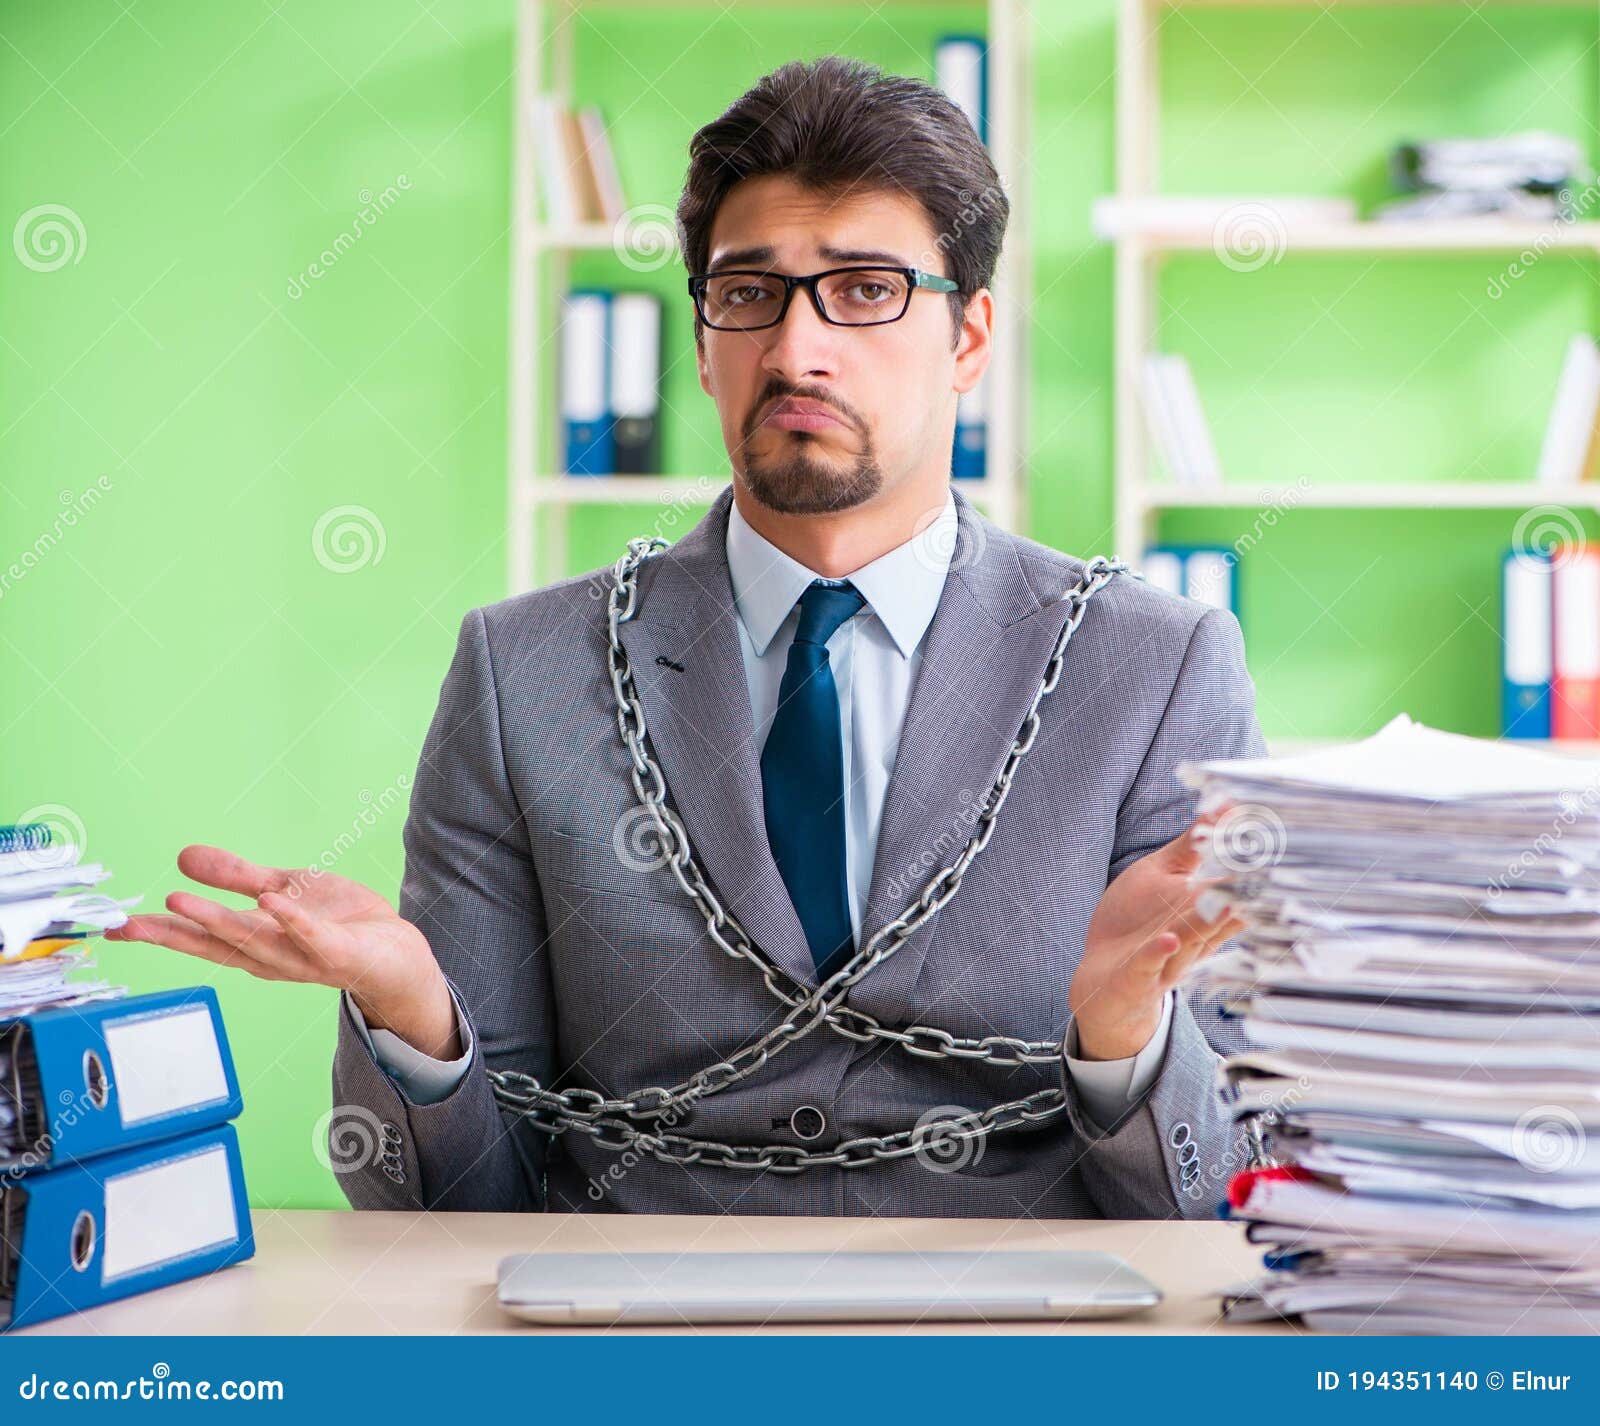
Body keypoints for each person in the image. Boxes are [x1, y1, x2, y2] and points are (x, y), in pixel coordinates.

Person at [109, 55, 1266, 1218]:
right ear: (706, 343)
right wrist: (419, 1018)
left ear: (967, 338)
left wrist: (1127, 1037)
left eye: (865, 290)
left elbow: (1222, 1200)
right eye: (749, 292)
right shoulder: (525, 674)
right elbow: (443, 1215)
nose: (798, 349)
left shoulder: (1153, 669)